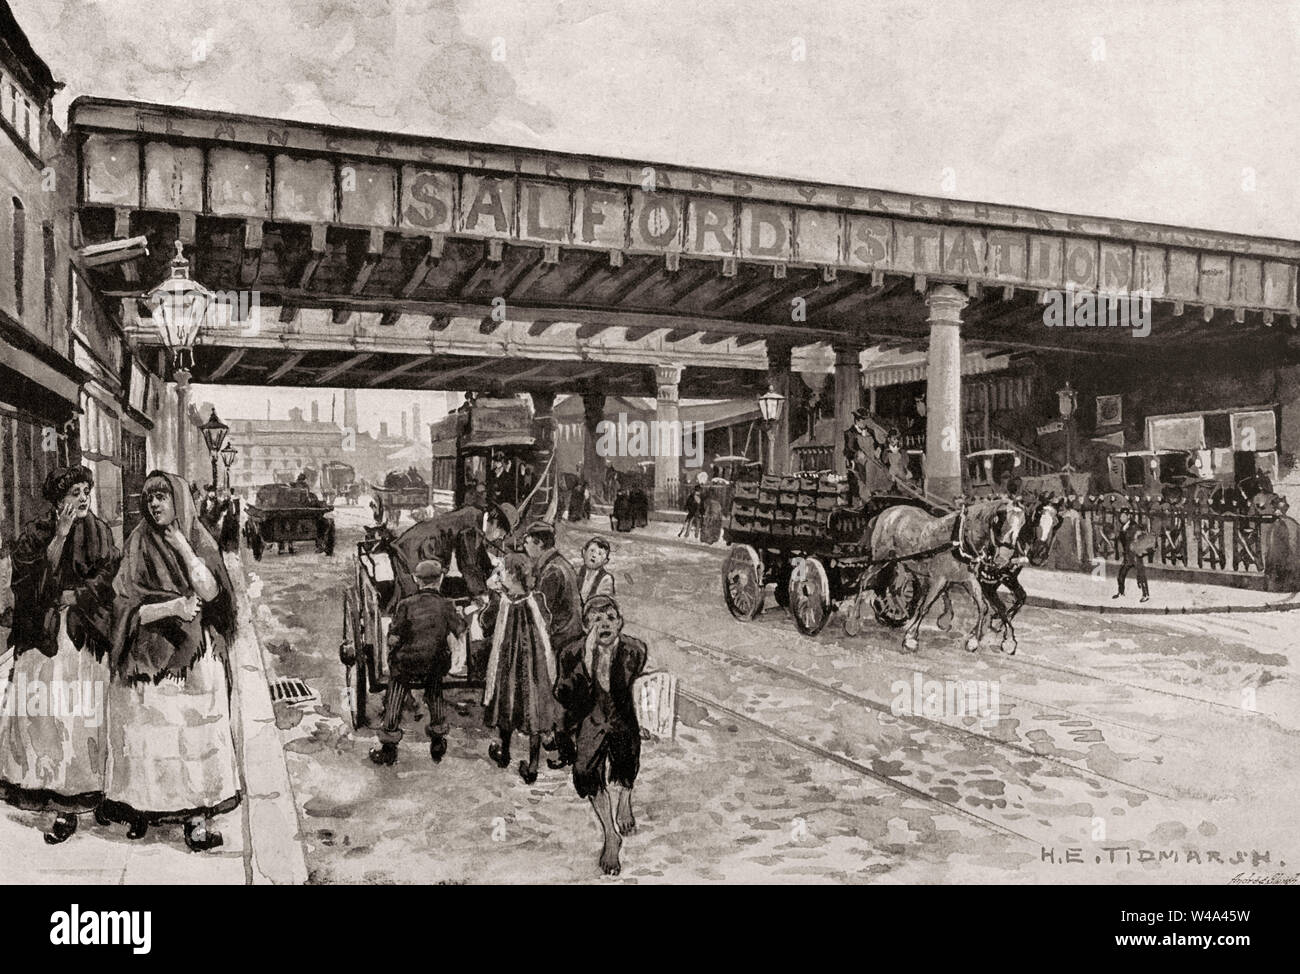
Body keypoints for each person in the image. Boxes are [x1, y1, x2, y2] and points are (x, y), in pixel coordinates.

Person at [102, 471, 239, 851]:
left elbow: (211, 591)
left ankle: (195, 815)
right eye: (149, 498)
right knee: (144, 733)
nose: (155, 504)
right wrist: (171, 607)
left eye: (162, 496)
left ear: (178, 500)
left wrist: (182, 546)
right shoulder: (137, 541)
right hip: (145, 651)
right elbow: (122, 605)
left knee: (190, 735)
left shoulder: (196, 537)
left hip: (190, 653)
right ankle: (141, 807)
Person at [0, 467, 120, 844]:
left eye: (86, 490)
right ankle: (62, 803)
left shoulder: (99, 531)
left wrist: (78, 596)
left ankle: (96, 792)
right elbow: (31, 581)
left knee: (89, 716)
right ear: (58, 500)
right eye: (75, 492)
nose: (83, 498)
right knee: (51, 719)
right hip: (47, 636)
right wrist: (61, 536)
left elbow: (109, 576)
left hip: (86, 631)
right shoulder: (37, 533)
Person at [554, 595, 647, 876]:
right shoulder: (571, 654)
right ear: (585, 626)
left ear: (619, 622)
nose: (604, 624)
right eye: (596, 619)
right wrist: (588, 657)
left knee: (627, 759)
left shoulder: (635, 650)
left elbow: (638, 688)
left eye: (609, 617)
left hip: (621, 714)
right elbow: (563, 694)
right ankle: (610, 834)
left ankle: (625, 800)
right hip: (591, 716)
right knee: (585, 771)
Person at [370, 559, 465, 767]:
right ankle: (438, 739)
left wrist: (392, 650)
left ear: (416, 580)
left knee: (396, 689)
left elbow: (393, 637)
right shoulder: (446, 605)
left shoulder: (405, 605)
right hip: (434, 663)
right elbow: (460, 629)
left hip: (407, 661)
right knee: (435, 688)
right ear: (440, 579)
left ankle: (389, 746)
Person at [480, 553, 561, 784]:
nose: (500, 575)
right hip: (534, 669)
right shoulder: (537, 599)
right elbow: (548, 625)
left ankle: (505, 754)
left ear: (513, 575)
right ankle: (533, 765)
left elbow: (485, 624)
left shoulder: (500, 601)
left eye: (502, 571)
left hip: (508, 667)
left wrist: (490, 593)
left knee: (507, 705)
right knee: (533, 711)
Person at [521, 521, 585, 770]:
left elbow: (541, 612)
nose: (525, 546)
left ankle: (564, 750)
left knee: (555, 695)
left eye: (527, 541)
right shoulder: (556, 564)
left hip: (561, 640)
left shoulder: (552, 572)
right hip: (568, 637)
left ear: (538, 543)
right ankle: (557, 741)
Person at [843, 408, 890, 503]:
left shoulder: (870, 431)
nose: (866, 422)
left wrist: (879, 449)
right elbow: (849, 448)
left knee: (882, 468)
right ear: (857, 420)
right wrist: (858, 452)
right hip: (859, 460)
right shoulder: (850, 433)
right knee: (869, 466)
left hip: (872, 458)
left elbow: (878, 444)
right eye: (864, 420)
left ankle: (880, 491)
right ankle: (869, 492)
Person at [1113, 508, 1152, 603]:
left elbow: (1138, 538)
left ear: (1128, 516)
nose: (1121, 518)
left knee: (1141, 575)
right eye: (1120, 516)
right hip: (1127, 556)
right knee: (1121, 575)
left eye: (1123, 516)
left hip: (1135, 555)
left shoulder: (1134, 526)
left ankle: (1146, 595)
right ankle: (1121, 592)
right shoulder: (1123, 527)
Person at [578, 537, 615, 602]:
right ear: (584, 552)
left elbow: (603, 602)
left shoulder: (606, 579)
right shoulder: (577, 571)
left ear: (605, 561)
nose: (594, 555)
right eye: (592, 551)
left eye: (599, 554)